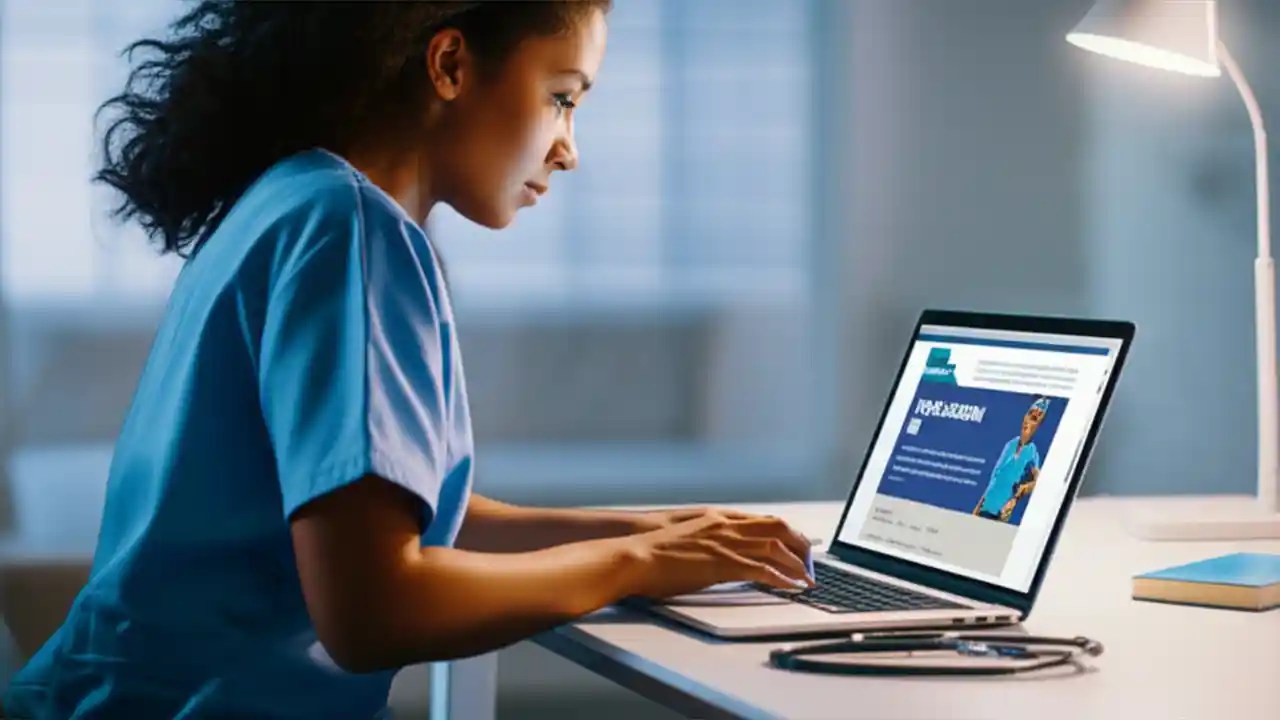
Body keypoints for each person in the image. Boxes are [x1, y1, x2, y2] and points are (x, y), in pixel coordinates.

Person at [1, 3, 814, 718]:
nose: (568, 148)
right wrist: (632, 563)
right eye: (562, 97)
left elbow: (391, 516)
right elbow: (371, 612)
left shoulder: (298, 197)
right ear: (451, 64)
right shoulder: (352, 230)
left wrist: (650, 530)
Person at [973, 397, 1049, 522]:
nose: (1028, 422)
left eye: (1034, 419)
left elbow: (1038, 482)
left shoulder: (1032, 452)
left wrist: (1019, 494)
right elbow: (994, 478)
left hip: (1000, 513)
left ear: (1038, 425)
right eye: (1029, 415)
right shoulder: (1010, 445)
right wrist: (976, 509)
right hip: (985, 508)